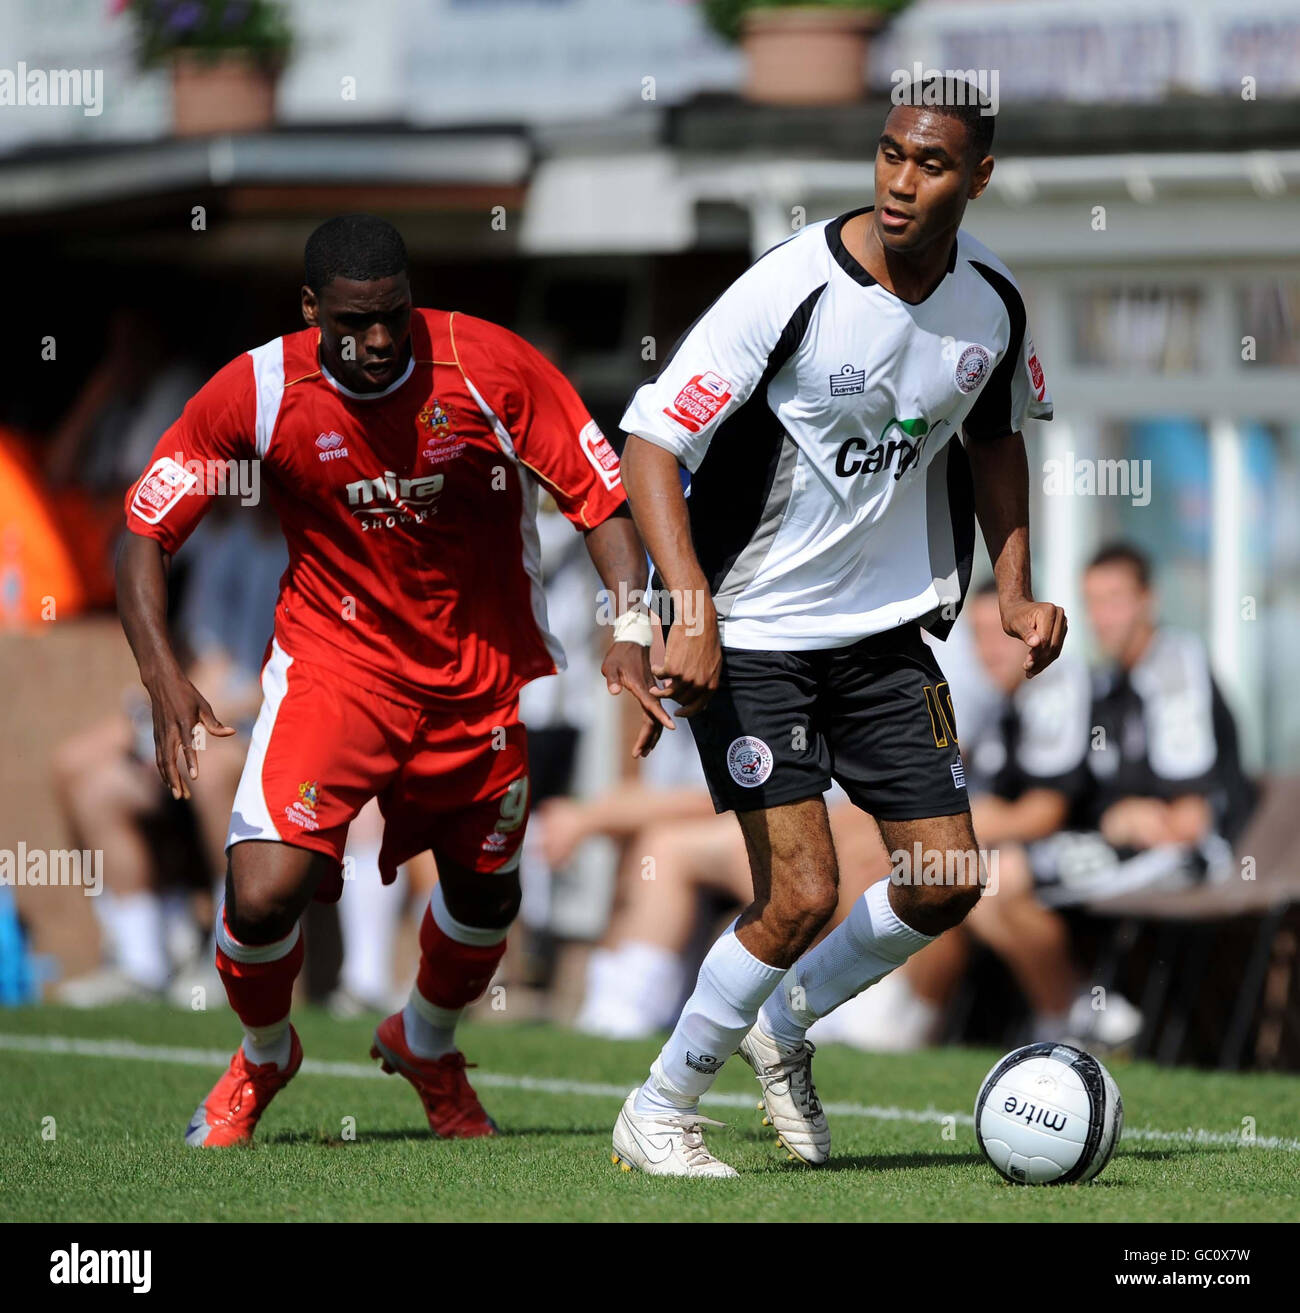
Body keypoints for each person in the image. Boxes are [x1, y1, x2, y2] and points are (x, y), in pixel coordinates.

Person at [117, 214, 666, 1146]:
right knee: (261, 891)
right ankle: (260, 1055)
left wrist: (633, 619)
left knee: (488, 894)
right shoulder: (256, 388)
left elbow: (600, 494)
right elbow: (143, 531)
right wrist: (164, 674)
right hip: (335, 669)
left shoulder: (488, 366)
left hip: (477, 673)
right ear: (309, 309)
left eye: (393, 318)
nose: (377, 343)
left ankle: (426, 1042)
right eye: (352, 322)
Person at [611, 77, 1064, 1175]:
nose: (902, 181)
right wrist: (684, 607)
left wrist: (1013, 587)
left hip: (884, 636)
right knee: (802, 889)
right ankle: (661, 1102)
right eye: (890, 154)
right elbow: (650, 443)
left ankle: (786, 1019)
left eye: (934, 164)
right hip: (752, 629)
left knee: (949, 880)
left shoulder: (993, 302)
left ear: (980, 177)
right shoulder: (791, 286)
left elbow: (996, 438)